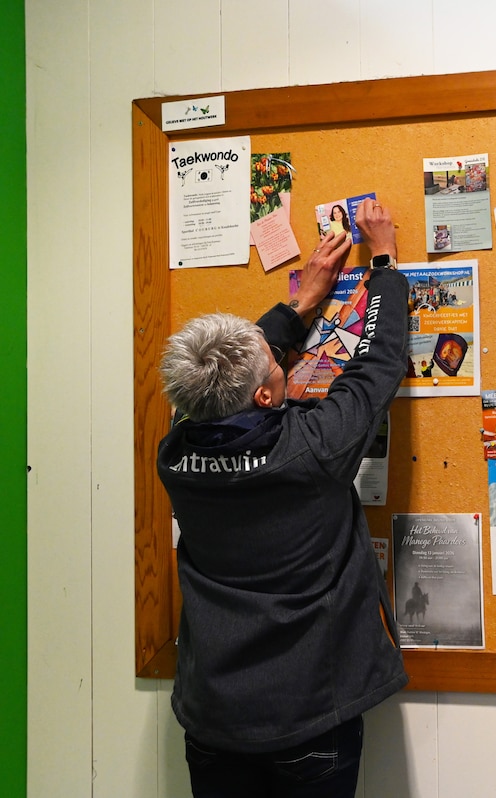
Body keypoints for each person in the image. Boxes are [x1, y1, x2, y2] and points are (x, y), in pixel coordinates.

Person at [157, 197, 411, 798]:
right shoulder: (312, 450)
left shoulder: (175, 454)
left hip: (214, 715)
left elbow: (212, 386)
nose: (276, 357)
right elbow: (375, 367)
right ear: (268, 397)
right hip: (309, 715)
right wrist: (386, 264)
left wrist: (300, 308)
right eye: (274, 363)